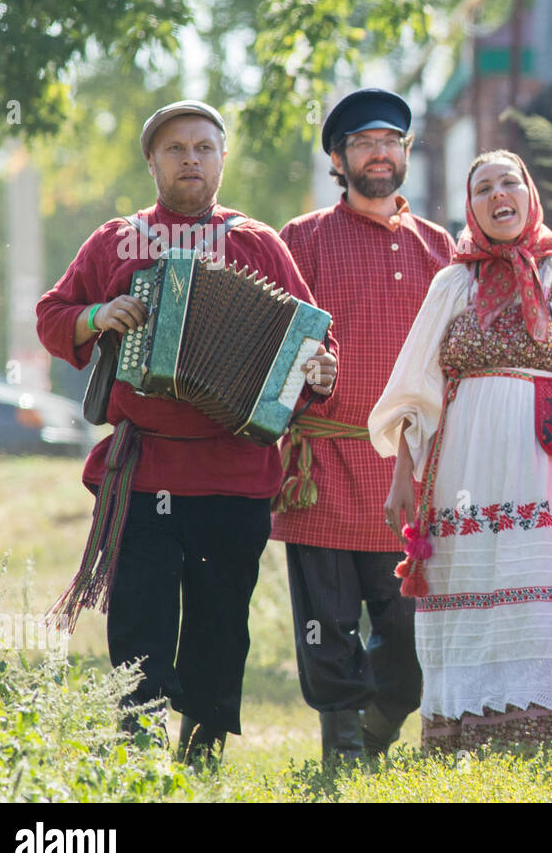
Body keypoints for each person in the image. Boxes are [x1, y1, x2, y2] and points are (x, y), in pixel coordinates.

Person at [35, 99, 337, 765]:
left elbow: (311, 348)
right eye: (175, 148)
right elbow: (54, 316)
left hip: (235, 476)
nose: (191, 159)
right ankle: (138, 751)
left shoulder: (257, 242)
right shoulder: (116, 240)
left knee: (221, 623)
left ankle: (201, 757)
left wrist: (321, 368)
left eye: (204, 147)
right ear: (152, 162)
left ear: (222, 158)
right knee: (138, 620)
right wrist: (97, 314)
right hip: (143, 475)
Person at [368, 150, 552, 751]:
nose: (498, 193)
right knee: (470, 579)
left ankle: (546, 728)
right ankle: (464, 727)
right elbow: (414, 388)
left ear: (529, 195)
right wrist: (402, 475)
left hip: (548, 466)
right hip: (460, 466)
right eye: (483, 186)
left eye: (510, 181)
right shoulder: (454, 282)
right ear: (472, 206)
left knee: (539, 579)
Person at [272, 89, 455, 766]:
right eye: (364, 142)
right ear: (338, 159)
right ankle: (344, 756)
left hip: (408, 474)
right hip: (319, 467)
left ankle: (376, 730)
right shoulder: (301, 239)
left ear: (405, 153)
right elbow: (268, 342)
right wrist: (302, 362)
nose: (380, 153)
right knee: (328, 629)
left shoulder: (443, 249)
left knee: (409, 634)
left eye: (391, 141)